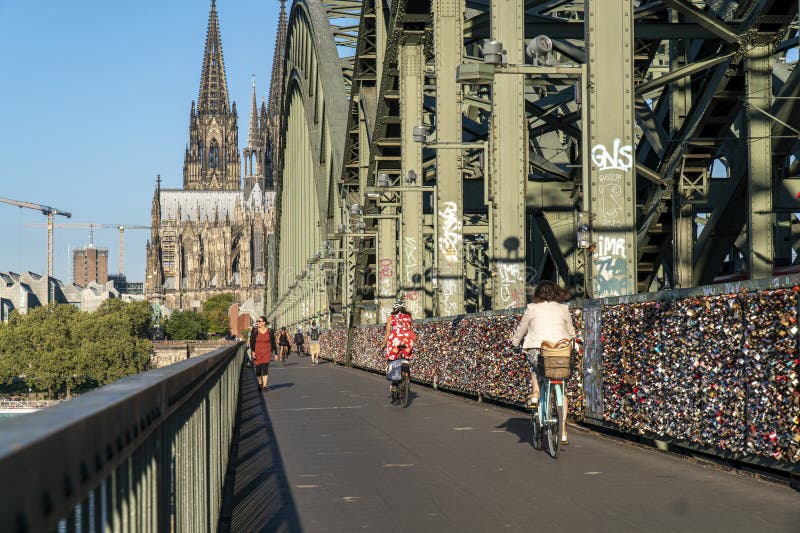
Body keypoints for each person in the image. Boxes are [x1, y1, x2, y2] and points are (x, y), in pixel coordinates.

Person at [511, 280, 575, 444]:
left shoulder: (532, 308)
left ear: (538, 293)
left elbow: (522, 328)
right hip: (560, 351)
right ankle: (562, 431)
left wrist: (514, 343)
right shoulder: (563, 308)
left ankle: (535, 393)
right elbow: (571, 331)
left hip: (537, 348)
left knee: (535, 367)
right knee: (562, 384)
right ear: (556, 292)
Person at [381, 301, 416, 399]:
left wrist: (383, 344)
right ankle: (407, 378)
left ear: (394, 309)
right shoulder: (409, 317)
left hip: (395, 341)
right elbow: (411, 329)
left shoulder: (391, 317)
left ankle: (394, 383)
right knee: (406, 359)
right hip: (408, 341)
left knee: (392, 359)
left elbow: (388, 333)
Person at [249, 316, 276, 392]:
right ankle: (260, 383)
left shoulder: (270, 331)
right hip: (257, 352)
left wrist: (276, 353)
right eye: (257, 321)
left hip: (267, 352)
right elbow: (252, 342)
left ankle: (264, 386)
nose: (258, 323)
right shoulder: (255, 331)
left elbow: (273, 342)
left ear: (264, 322)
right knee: (258, 371)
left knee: (265, 369)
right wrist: (253, 351)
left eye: (259, 321)